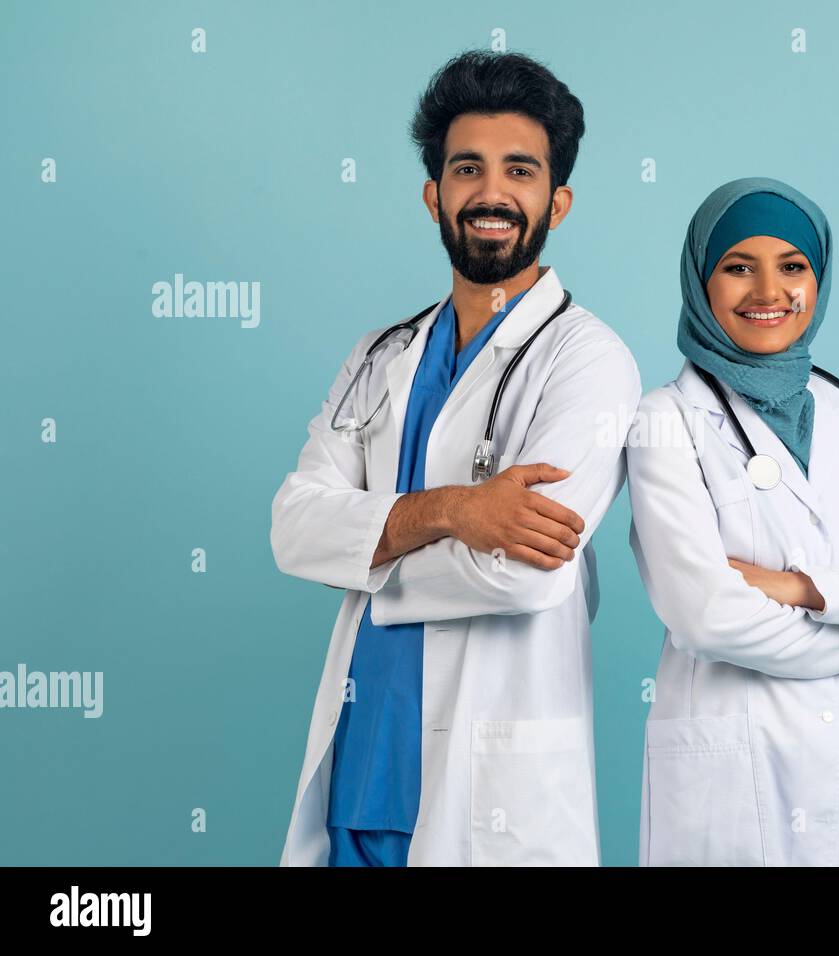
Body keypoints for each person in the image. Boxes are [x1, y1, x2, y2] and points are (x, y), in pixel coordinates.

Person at [271, 51, 640, 866]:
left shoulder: (590, 361)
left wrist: (363, 551)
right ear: (434, 195)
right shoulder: (381, 354)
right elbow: (292, 528)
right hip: (360, 777)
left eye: (520, 169)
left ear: (558, 201)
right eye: (466, 168)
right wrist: (453, 512)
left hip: (492, 795)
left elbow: (524, 573)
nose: (492, 192)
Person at [626, 177, 839, 866]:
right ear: (701, 281)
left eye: (793, 266)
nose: (768, 290)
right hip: (731, 783)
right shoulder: (663, 421)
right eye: (737, 266)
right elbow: (706, 616)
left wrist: (807, 589)